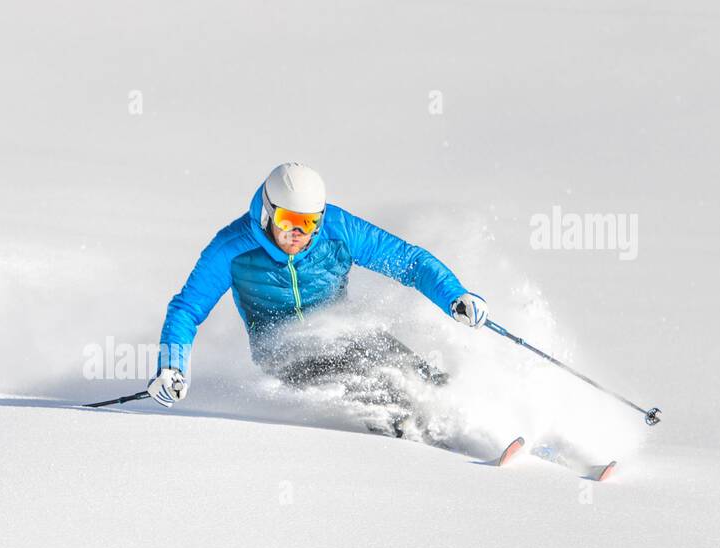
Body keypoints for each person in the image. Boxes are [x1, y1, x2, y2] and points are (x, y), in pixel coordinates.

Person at [146, 163, 488, 425]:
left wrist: (454, 296)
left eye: (308, 223)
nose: (297, 233)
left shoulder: (339, 229)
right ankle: (416, 433)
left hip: (345, 333)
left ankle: (480, 421)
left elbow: (409, 262)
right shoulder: (232, 248)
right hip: (282, 353)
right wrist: (172, 366)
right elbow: (187, 309)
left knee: (417, 371)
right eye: (287, 220)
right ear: (267, 213)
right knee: (375, 387)